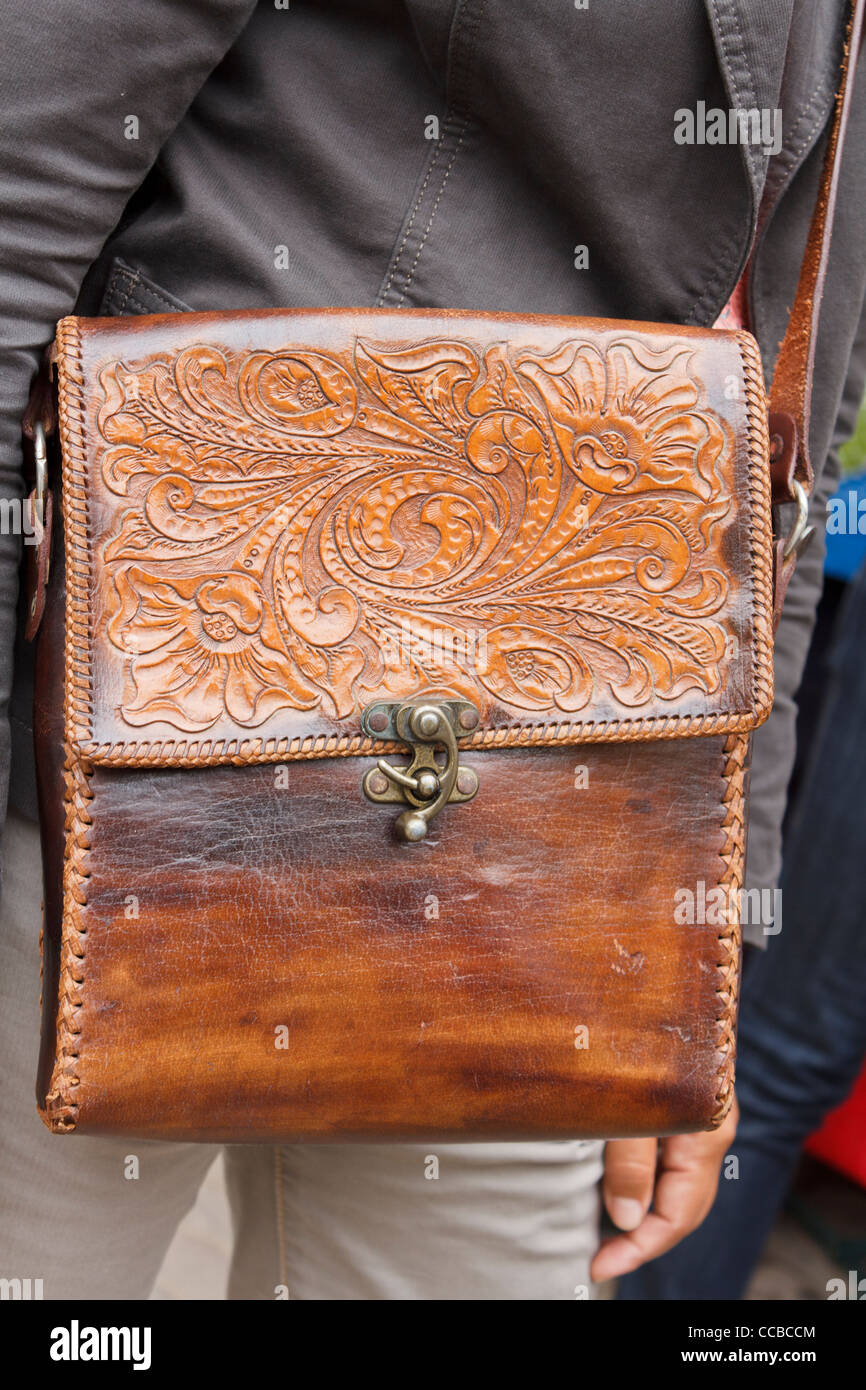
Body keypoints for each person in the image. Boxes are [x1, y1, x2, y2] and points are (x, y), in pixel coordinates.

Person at [1, 0, 864, 1300]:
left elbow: (786, 454)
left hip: (560, 865)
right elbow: (19, 191)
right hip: (130, 761)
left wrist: (702, 962)